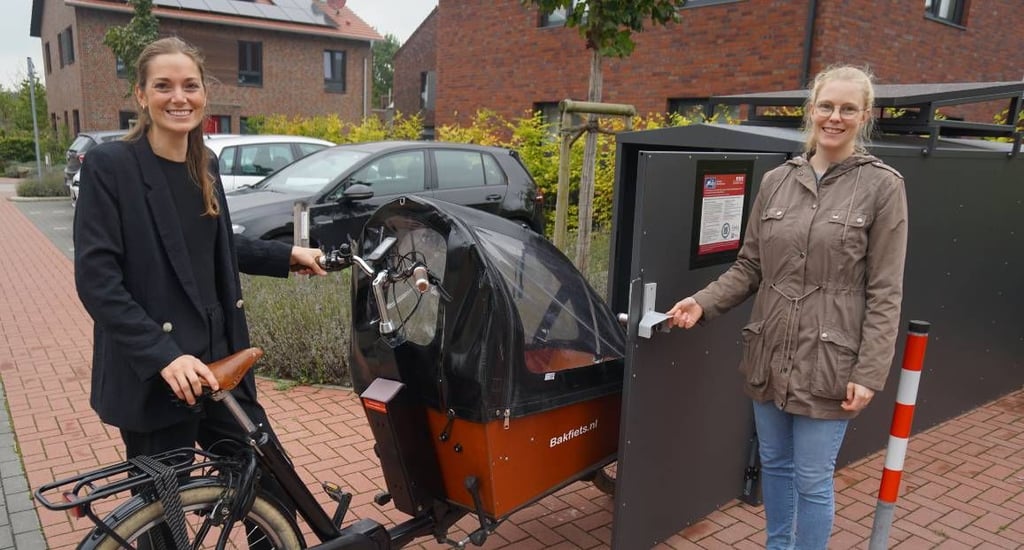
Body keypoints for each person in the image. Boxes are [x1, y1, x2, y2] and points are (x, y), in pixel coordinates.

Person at [73, 36, 325, 546]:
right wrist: (164, 355)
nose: (178, 97)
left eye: (190, 85)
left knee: (269, 482)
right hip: (160, 373)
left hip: (219, 359)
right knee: (164, 517)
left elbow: (216, 245)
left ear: (205, 94)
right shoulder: (111, 167)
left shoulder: (203, 162)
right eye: (163, 86)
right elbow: (98, 279)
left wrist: (286, 256)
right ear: (141, 95)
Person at [667, 65, 908, 549]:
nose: (833, 117)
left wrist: (870, 371)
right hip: (770, 350)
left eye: (846, 109)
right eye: (825, 106)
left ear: (864, 116)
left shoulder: (883, 187)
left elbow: (886, 290)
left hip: (831, 359)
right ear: (811, 111)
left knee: (812, 480)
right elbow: (750, 267)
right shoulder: (778, 181)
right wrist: (702, 302)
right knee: (775, 464)